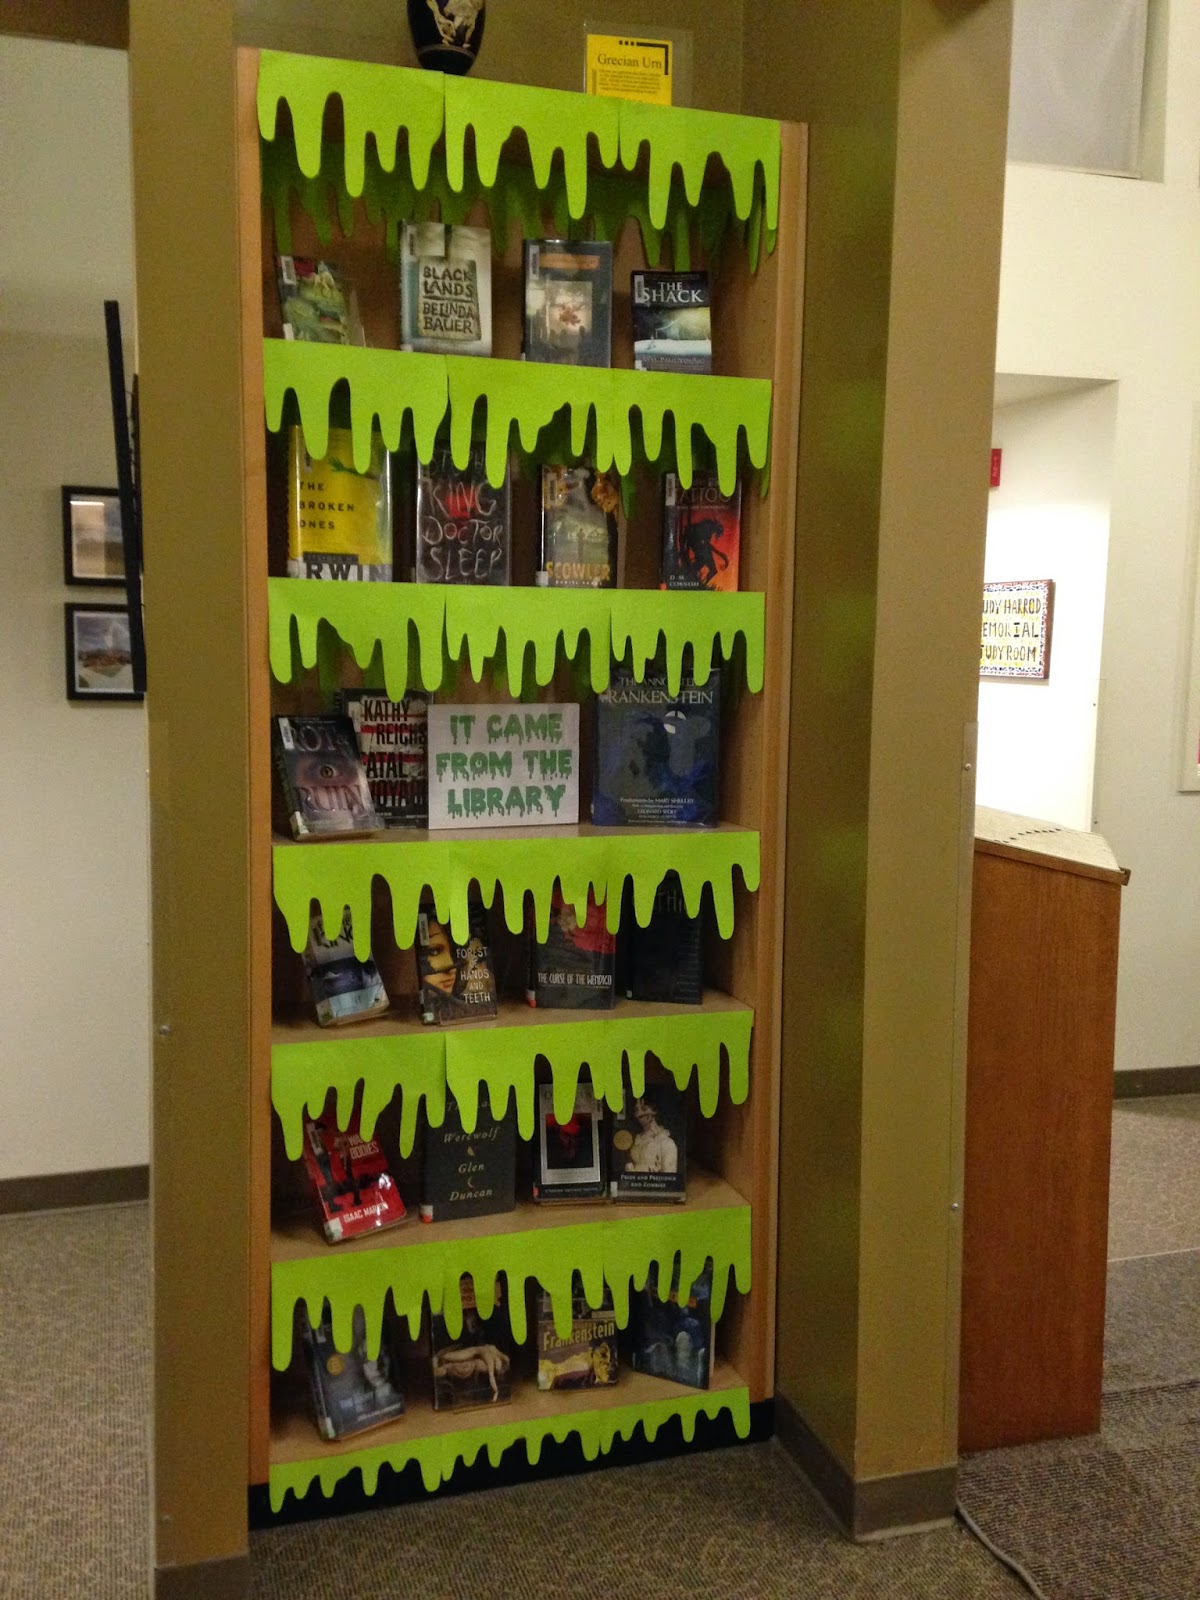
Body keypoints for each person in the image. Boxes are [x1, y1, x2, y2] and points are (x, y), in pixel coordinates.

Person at [626, 1094, 678, 1174]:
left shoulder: (666, 1142)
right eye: (636, 1110)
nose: (639, 1114)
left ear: (654, 1111)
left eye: (644, 1109)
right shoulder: (638, 1139)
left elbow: (670, 1176)